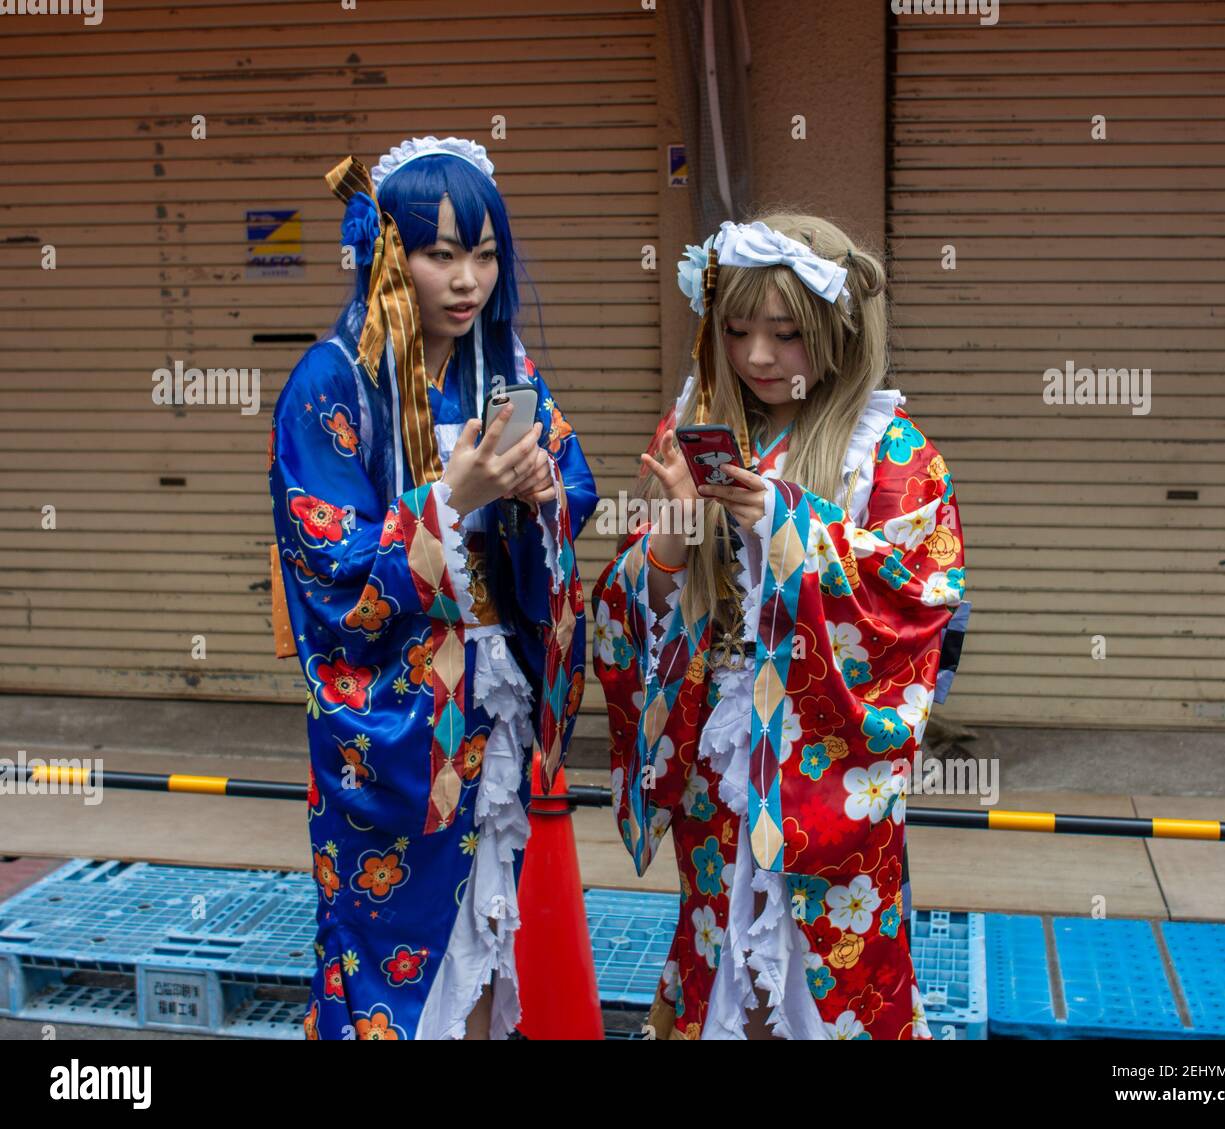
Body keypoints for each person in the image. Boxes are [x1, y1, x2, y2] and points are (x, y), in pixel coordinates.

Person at [592, 214, 969, 1039]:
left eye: (787, 333)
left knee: (825, 974)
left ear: (838, 329)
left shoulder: (896, 453)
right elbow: (624, 618)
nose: (758, 356)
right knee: (720, 956)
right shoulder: (689, 436)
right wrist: (668, 543)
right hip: (717, 767)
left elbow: (922, 602)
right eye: (735, 330)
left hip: (823, 772)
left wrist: (790, 524)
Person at [267, 136, 596, 1040]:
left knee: (489, 929)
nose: (468, 281)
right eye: (440, 252)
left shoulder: (507, 368)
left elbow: (574, 484)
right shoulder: (329, 384)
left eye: (485, 254)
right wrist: (453, 497)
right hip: (395, 728)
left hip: (492, 711)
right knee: (384, 949)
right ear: (387, 254)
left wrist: (534, 497)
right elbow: (331, 573)